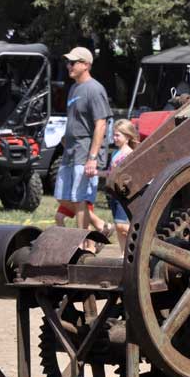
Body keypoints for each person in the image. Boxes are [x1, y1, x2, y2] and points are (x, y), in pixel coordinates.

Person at [55, 46, 113, 249]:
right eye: (68, 62)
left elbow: (101, 124)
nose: (68, 66)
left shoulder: (94, 89)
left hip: (85, 151)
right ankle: (100, 225)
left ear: (86, 65)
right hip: (70, 150)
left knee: (81, 199)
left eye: (73, 62)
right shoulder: (74, 88)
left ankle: (80, 245)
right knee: (61, 196)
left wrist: (93, 157)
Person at [107, 119, 139, 252]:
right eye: (114, 135)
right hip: (114, 193)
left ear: (127, 137)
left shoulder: (130, 153)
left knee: (121, 225)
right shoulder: (115, 153)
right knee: (119, 227)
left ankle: (141, 237)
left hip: (123, 194)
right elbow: (110, 173)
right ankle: (123, 254)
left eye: (117, 135)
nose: (114, 138)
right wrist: (96, 173)